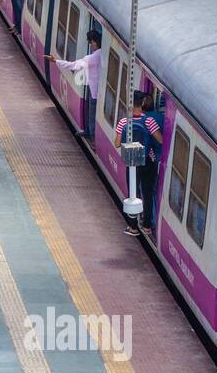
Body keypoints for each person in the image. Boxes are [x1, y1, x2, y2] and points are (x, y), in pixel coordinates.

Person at [113, 90, 163, 237]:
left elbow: (116, 143)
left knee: (133, 193)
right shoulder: (149, 121)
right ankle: (147, 226)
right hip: (148, 160)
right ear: (142, 104)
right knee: (147, 193)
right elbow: (160, 140)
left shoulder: (123, 121)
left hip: (132, 161)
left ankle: (133, 227)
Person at [45, 27, 103, 136]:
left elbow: (73, 65)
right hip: (100, 90)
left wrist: (55, 61)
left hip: (94, 91)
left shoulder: (92, 58)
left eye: (91, 43)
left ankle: (91, 134)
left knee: (91, 112)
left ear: (94, 42)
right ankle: (90, 131)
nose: (91, 45)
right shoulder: (103, 55)